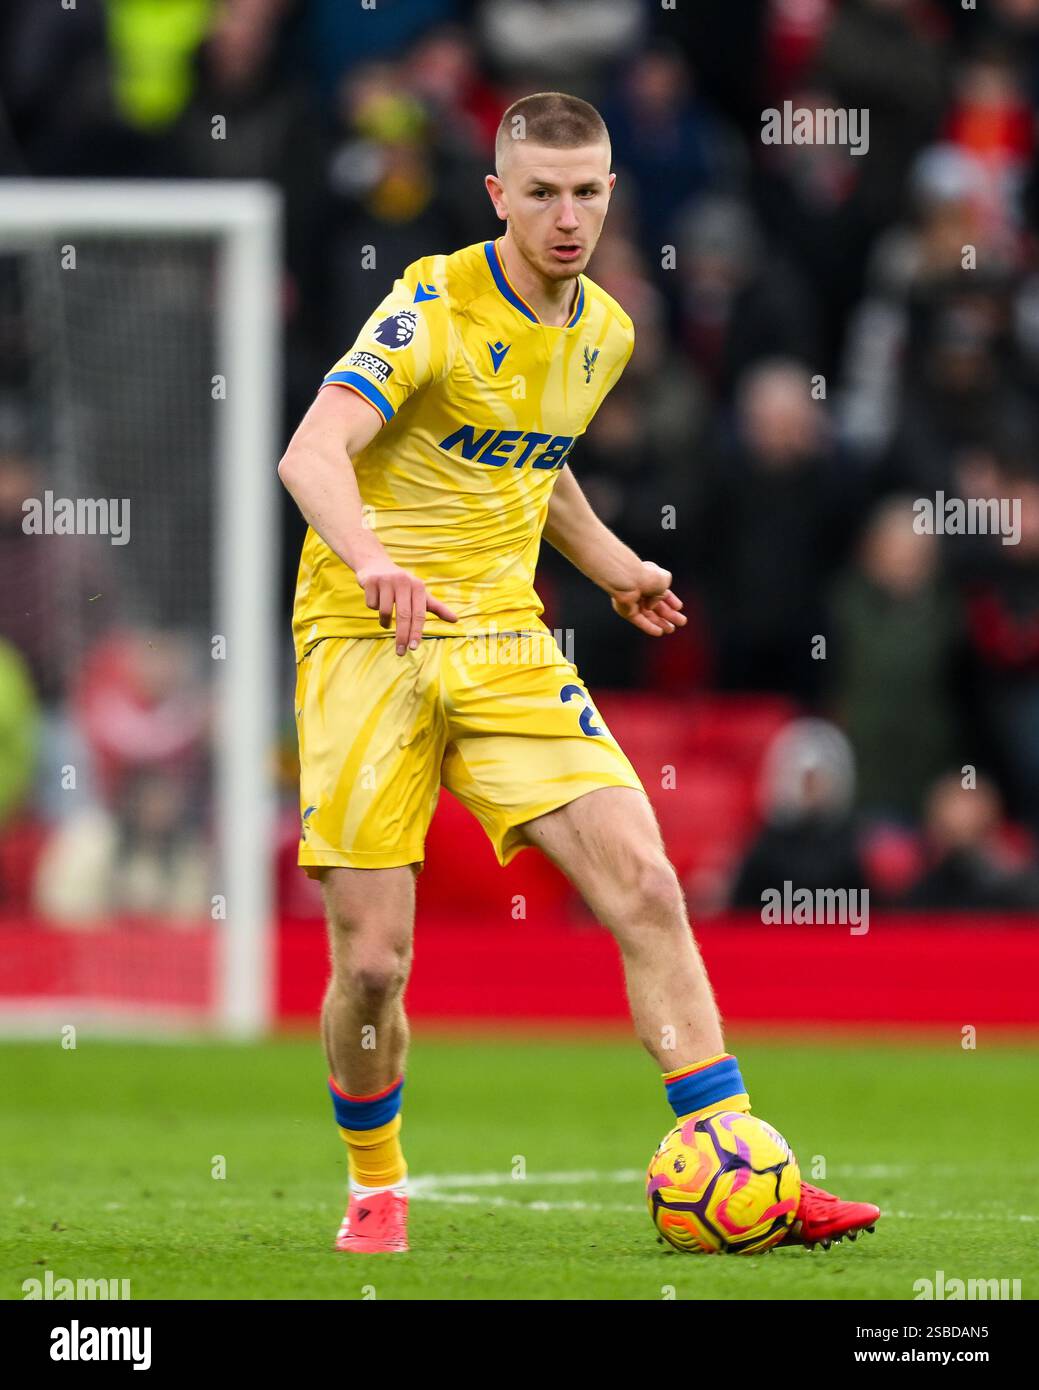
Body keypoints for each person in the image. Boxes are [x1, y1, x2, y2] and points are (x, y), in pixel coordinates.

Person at [277, 91, 880, 1255]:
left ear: (612, 196)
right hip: (364, 638)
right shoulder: (431, 304)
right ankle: (376, 1180)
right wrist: (374, 563)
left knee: (647, 884)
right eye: (540, 193)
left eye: (587, 193)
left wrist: (612, 570)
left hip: (504, 637)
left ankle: (742, 1166)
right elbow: (312, 448)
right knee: (374, 964)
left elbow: (534, 470)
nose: (565, 217)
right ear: (498, 195)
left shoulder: (605, 330)